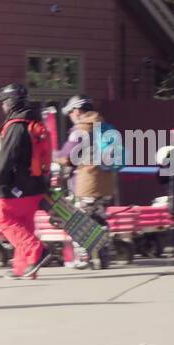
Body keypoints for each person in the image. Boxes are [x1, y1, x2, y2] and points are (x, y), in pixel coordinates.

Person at [0, 83, 51, 279]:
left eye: (3, 102)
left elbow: (6, 158)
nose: (2, 107)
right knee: (24, 224)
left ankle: (37, 251)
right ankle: (24, 268)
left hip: (16, 185)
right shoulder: (34, 122)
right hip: (35, 185)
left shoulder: (16, 126)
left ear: (10, 103)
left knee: (5, 220)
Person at [54, 95, 116, 270]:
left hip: (86, 183)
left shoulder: (80, 130)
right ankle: (103, 257)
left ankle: (84, 257)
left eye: (70, 113)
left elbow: (66, 156)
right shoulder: (104, 127)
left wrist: (54, 156)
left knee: (79, 220)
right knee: (99, 218)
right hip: (106, 183)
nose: (70, 117)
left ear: (77, 111)